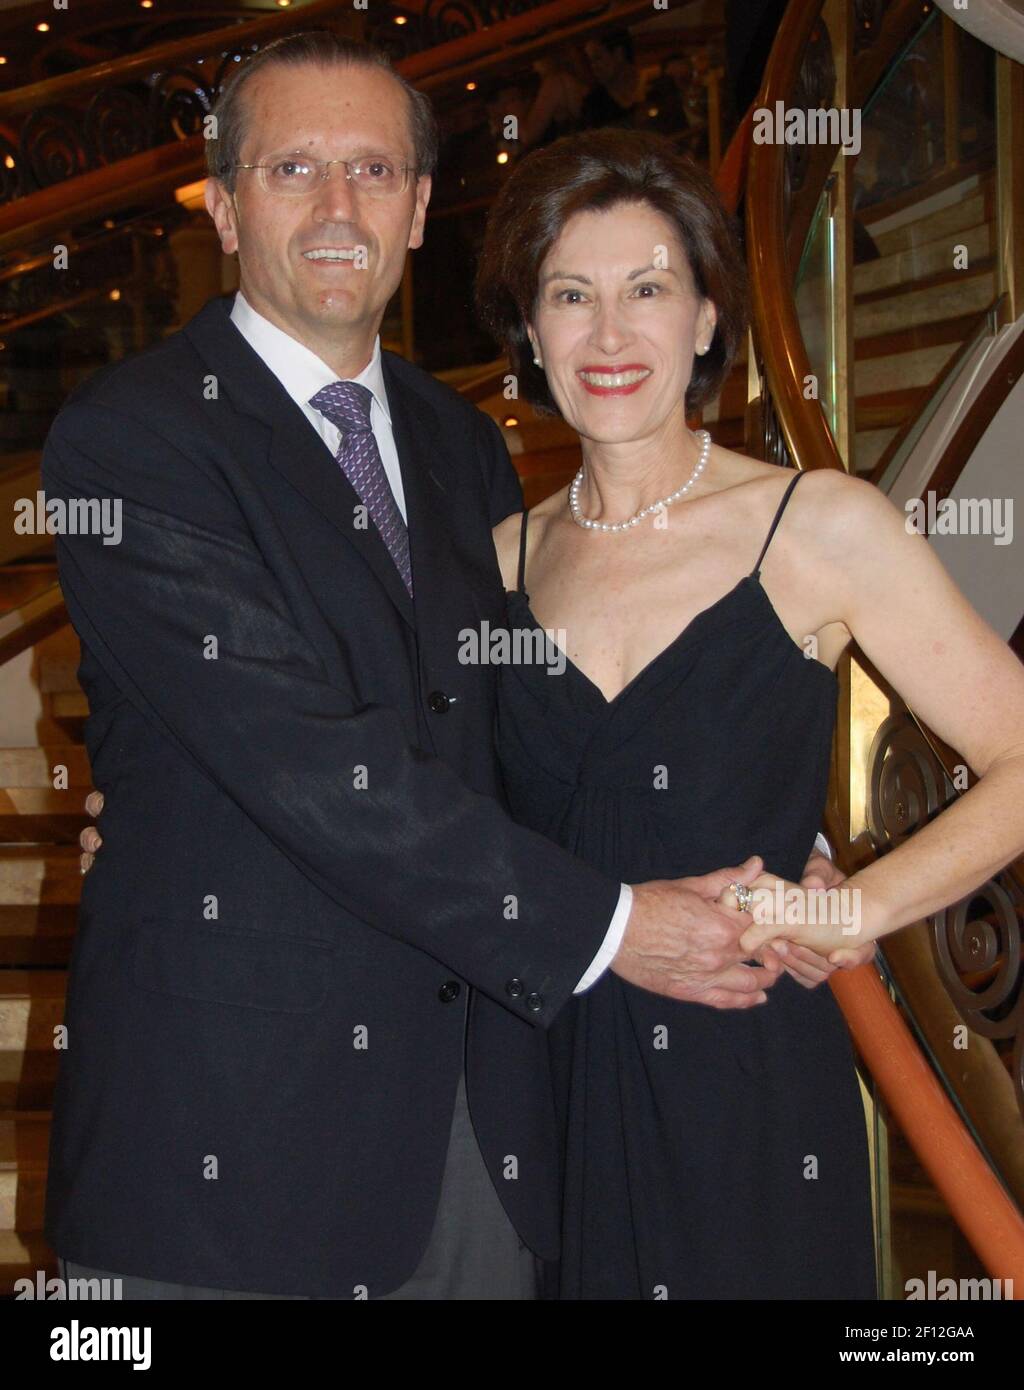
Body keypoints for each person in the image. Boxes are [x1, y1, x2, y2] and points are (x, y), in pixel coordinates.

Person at [46, 32, 848, 1302]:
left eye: (372, 170)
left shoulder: (461, 443)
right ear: (222, 199)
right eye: (290, 168)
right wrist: (620, 923)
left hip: (480, 1131)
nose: (335, 206)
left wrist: (742, 835)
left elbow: (505, 737)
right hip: (229, 1150)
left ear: (421, 209)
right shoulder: (129, 443)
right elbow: (305, 758)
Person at [475, 128, 1024, 1299]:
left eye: (648, 290)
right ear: (529, 331)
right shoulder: (493, 564)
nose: (610, 334)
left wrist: (862, 899)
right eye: (571, 295)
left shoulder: (814, 525)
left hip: (749, 1078)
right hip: (543, 1074)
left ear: (709, 318)